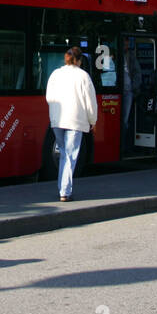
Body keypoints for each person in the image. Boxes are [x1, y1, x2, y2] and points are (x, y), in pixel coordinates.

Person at [45, 46, 97, 202]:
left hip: (57, 120)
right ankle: (65, 191)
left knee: (63, 154)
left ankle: (62, 187)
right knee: (70, 155)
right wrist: (92, 121)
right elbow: (90, 103)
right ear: (79, 60)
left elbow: (49, 97)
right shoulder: (83, 76)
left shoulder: (55, 74)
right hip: (75, 120)